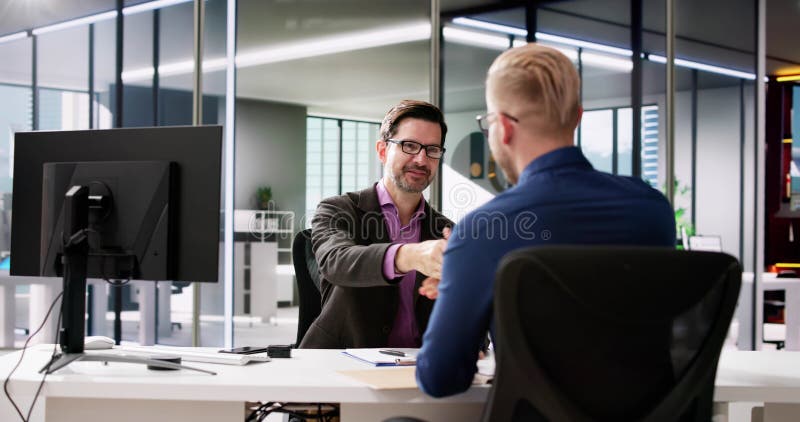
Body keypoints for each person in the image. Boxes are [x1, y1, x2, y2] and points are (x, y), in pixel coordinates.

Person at [415, 44, 675, 397]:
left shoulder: (484, 230)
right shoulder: (651, 209)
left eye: (488, 122)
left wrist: (465, 283)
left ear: (503, 127)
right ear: (577, 117)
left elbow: (440, 378)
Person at [300, 100, 453, 349]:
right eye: (410, 146)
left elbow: (471, 314)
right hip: (341, 366)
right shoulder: (338, 209)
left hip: (418, 369)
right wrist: (410, 255)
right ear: (382, 151)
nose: (422, 159)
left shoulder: (447, 232)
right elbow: (336, 260)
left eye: (432, 149)